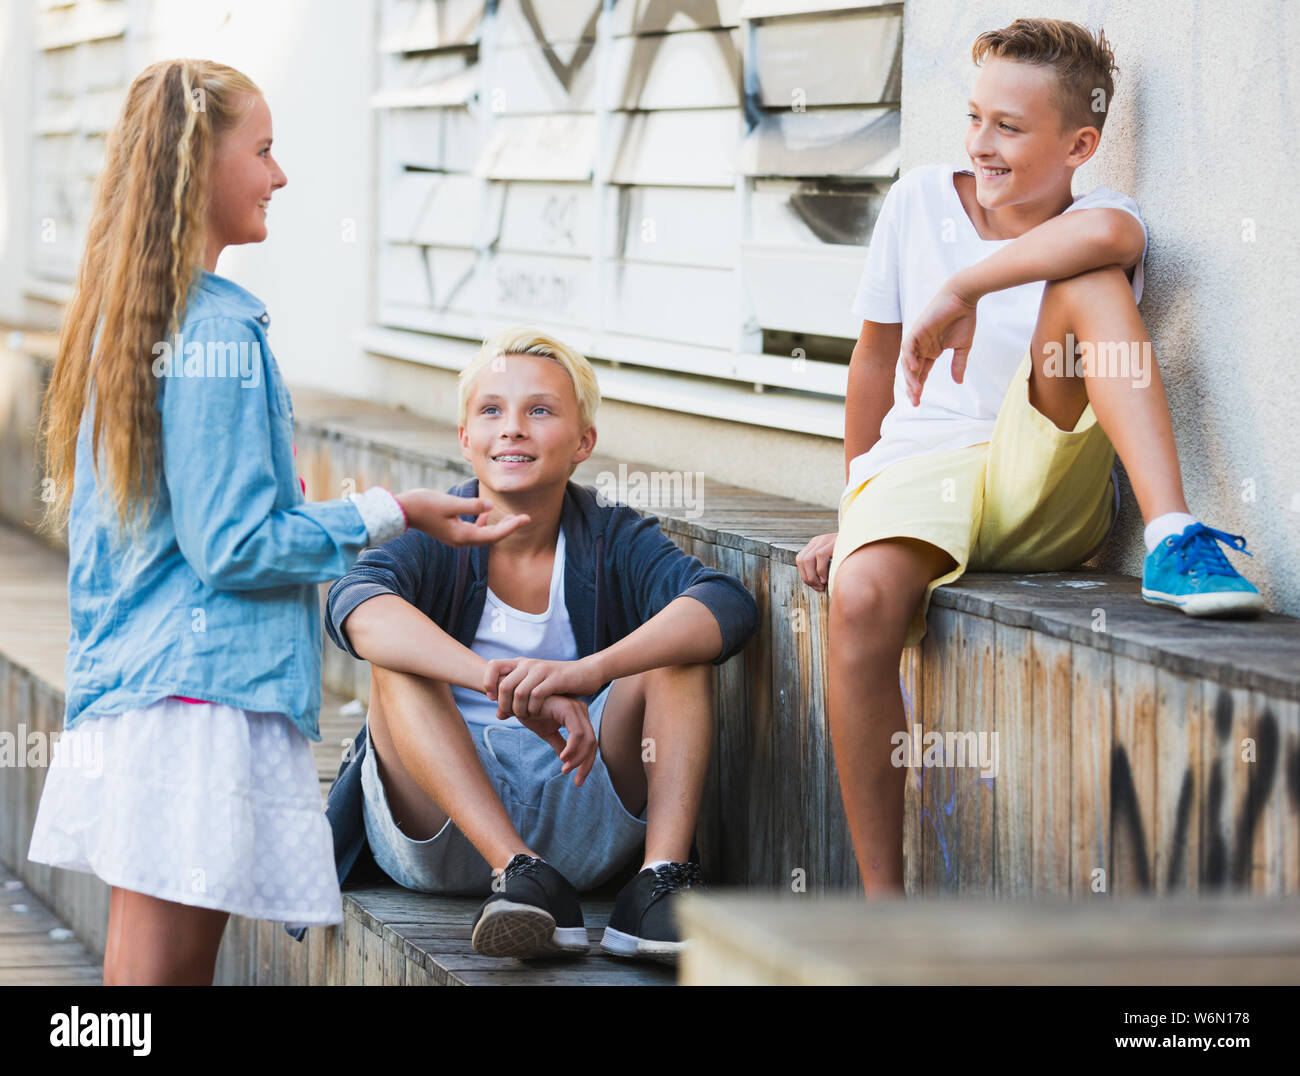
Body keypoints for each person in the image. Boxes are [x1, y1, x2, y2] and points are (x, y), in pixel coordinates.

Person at [26, 59, 527, 986]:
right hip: (200, 705)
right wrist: (390, 511)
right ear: (196, 168)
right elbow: (233, 547)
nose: (280, 175)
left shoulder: (131, 320)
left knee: (134, 986)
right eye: (262, 151)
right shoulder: (212, 334)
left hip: (153, 692)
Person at [795, 18, 1265, 894]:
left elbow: (1111, 247)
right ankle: (883, 908)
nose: (981, 144)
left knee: (1088, 284)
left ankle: (1172, 536)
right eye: (974, 118)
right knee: (859, 600)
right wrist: (853, 510)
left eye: (1009, 128)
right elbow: (872, 365)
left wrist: (968, 284)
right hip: (919, 478)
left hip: (1040, 480)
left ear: (1080, 142)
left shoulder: (1102, 216)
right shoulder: (918, 201)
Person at [306, 327, 758, 963]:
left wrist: (583, 673)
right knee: (396, 661)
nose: (512, 428)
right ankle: (519, 871)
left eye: (539, 410)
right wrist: (505, 685)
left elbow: (725, 605)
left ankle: (656, 883)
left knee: (676, 646)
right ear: (466, 439)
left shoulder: (611, 535)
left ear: (583, 442)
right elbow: (354, 608)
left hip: (582, 801)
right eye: (491, 411)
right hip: (444, 820)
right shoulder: (438, 531)